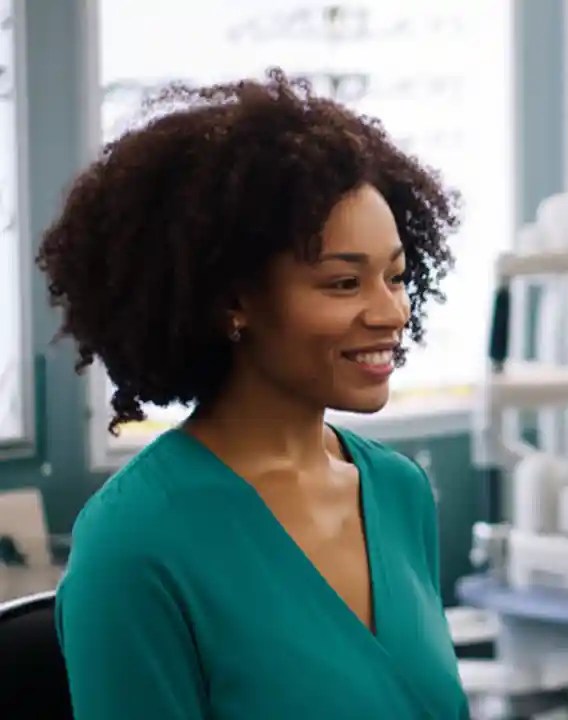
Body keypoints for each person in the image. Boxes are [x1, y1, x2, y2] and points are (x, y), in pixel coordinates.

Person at [39, 69, 469, 719]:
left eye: (397, 276)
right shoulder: (136, 544)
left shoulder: (397, 490)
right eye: (343, 284)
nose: (391, 313)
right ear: (234, 300)